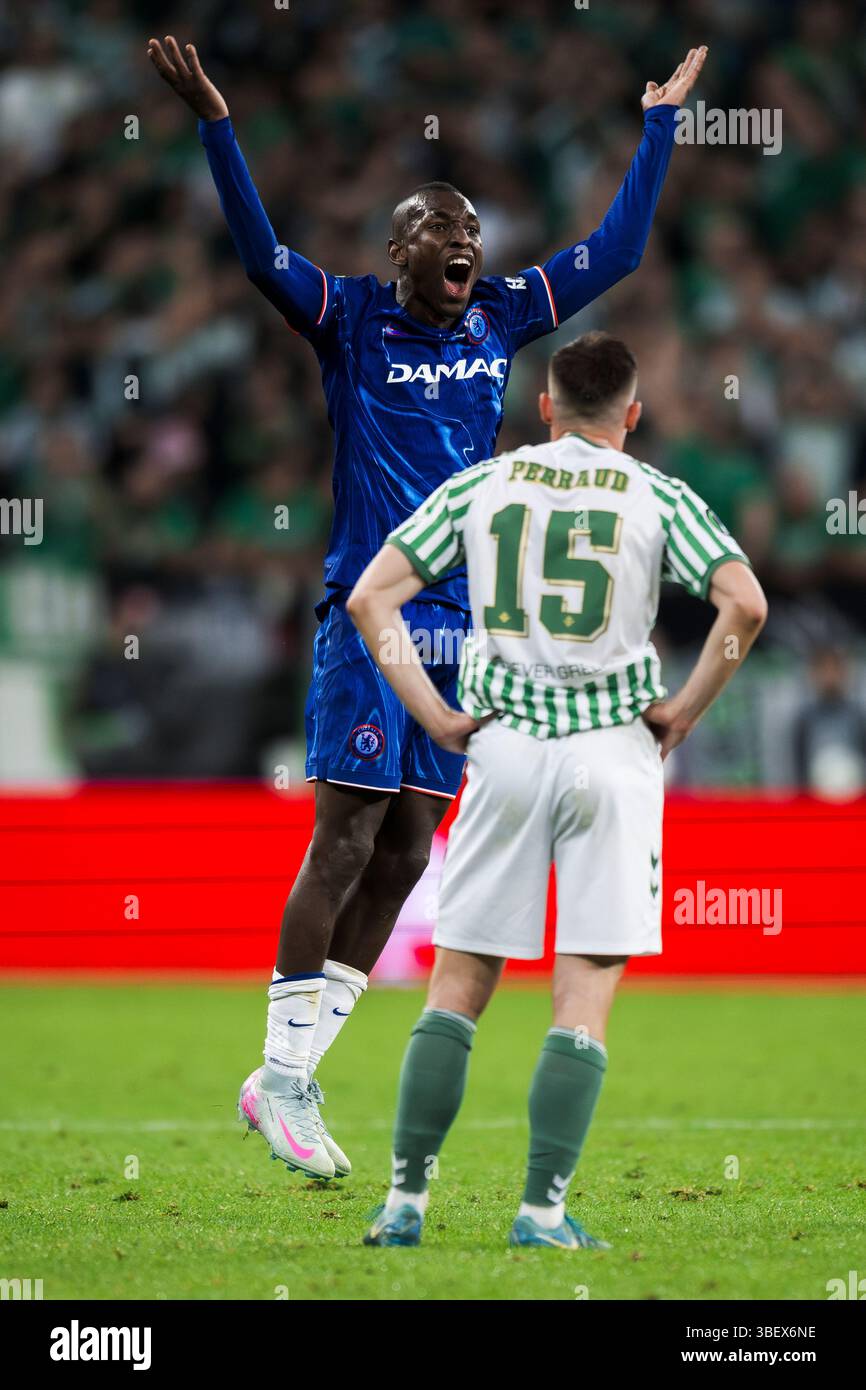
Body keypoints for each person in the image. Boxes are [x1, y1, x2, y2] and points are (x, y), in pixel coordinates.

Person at [147, 35, 707, 1181]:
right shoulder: (348, 317)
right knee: (344, 832)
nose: (465, 244)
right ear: (399, 250)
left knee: (406, 852)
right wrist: (215, 121)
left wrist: (657, 126)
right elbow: (260, 256)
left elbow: (619, 248)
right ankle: (286, 1072)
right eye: (442, 231)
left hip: (468, 629)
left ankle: (288, 1077)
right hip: (376, 611)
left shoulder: (499, 317)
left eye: (471, 232)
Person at [347, 331, 767, 1247]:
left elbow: (371, 598)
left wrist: (432, 711)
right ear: (632, 413)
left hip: (502, 749)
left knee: (456, 982)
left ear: (543, 407)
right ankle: (540, 1213)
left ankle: (406, 1204)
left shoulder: (483, 484)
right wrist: (683, 714)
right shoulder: (659, 494)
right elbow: (747, 604)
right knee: (583, 991)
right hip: (613, 754)